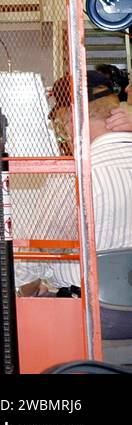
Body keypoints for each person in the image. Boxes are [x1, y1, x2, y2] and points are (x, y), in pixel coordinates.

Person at [17, 66, 132, 344]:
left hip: (96, 315)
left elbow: (36, 255)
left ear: (72, 118)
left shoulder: (73, 176)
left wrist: (29, 290)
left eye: (62, 123)